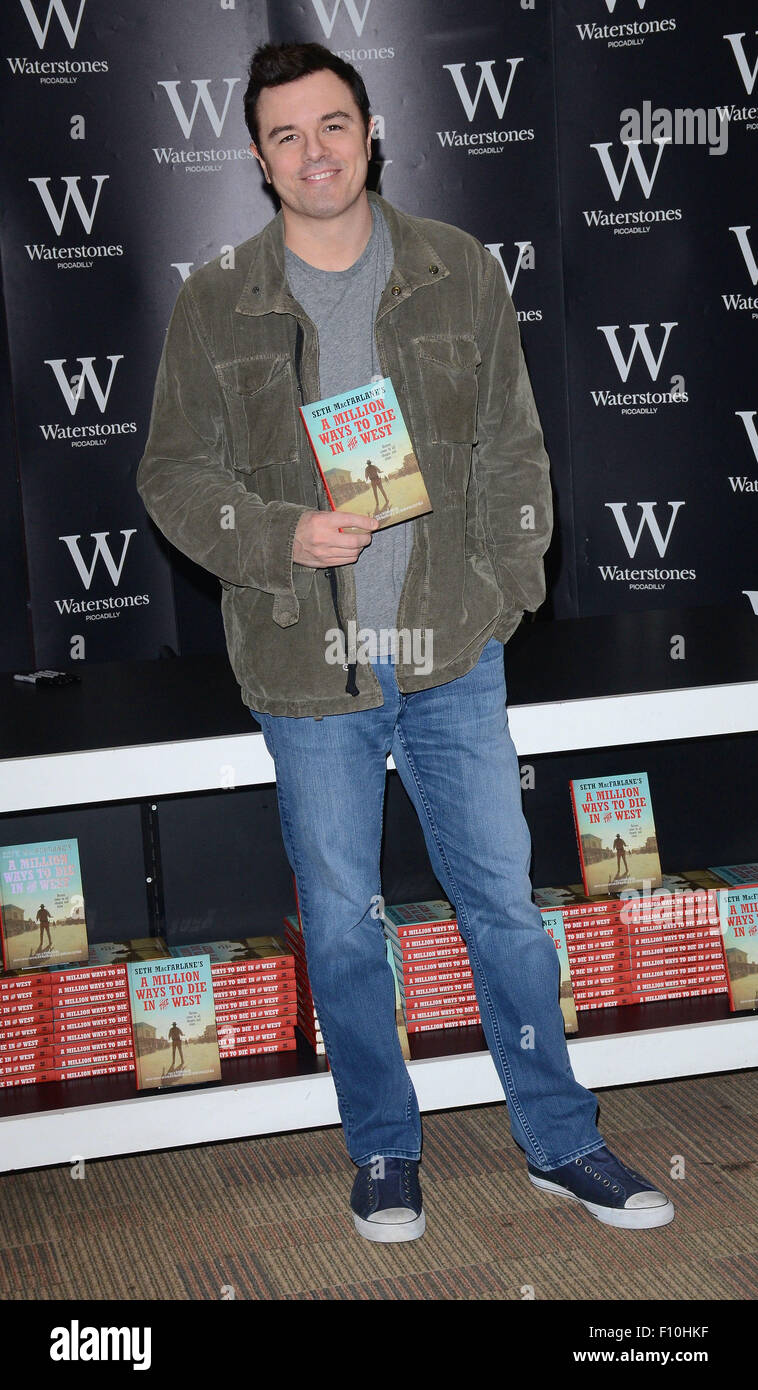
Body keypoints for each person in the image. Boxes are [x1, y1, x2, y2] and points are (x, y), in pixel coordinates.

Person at [137, 41, 675, 1242]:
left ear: (371, 131)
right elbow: (171, 474)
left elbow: (513, 448)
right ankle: (382, 1149)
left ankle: (560, 1139)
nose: (313, 152)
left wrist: (496, 595)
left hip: (450, 657)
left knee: (503, 911)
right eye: (285, 134)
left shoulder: (455, 267)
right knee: (340, 925)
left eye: (331, 124)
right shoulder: (217, 298)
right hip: (306, 667)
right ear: (259, 158)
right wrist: (279, 533)